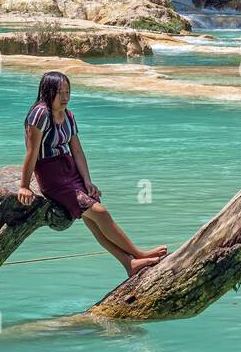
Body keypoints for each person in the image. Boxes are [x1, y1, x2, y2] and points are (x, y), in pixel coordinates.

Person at [17, 71, 167, 276]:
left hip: (70, 169)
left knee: (93, 219)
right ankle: (138, 254)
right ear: (47, 92)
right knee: (100, 213)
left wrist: (88, 181)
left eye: (68, 92)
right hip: (52, 175)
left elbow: (77, 150)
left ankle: (128, 263)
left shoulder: (68, 115)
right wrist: (24, 185)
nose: (65, 98)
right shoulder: (40, 114)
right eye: (60, 93)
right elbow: (32, 152)